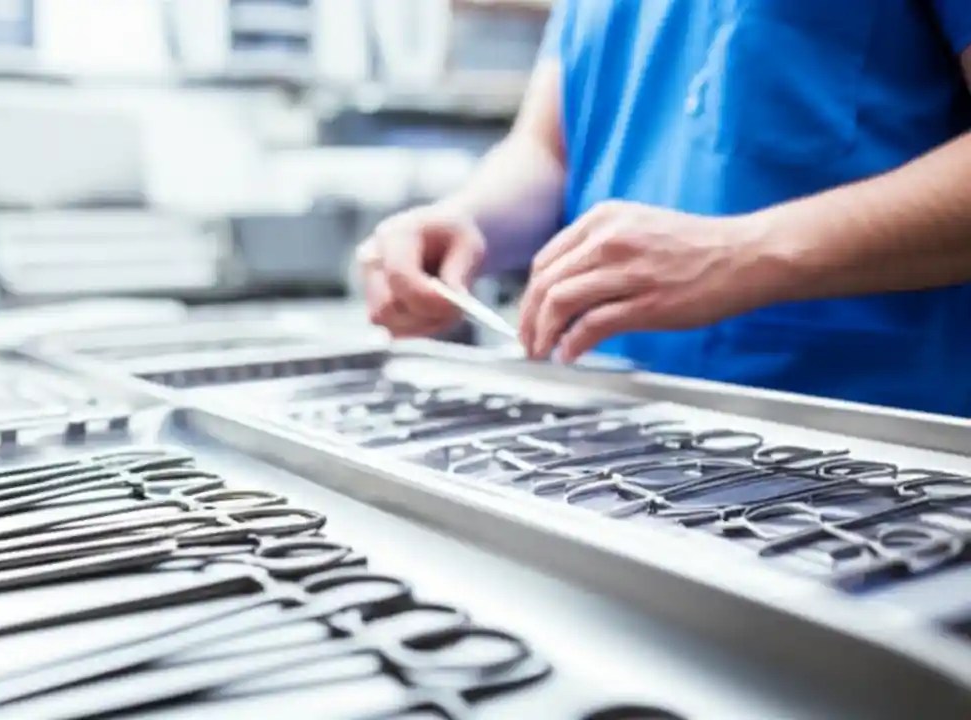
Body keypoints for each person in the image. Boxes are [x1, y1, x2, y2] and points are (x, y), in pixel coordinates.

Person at [356, 1, 971, 416]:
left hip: (874, 446)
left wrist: (744, 255)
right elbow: (549, 151)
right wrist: (468, 223)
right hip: (616, 423)